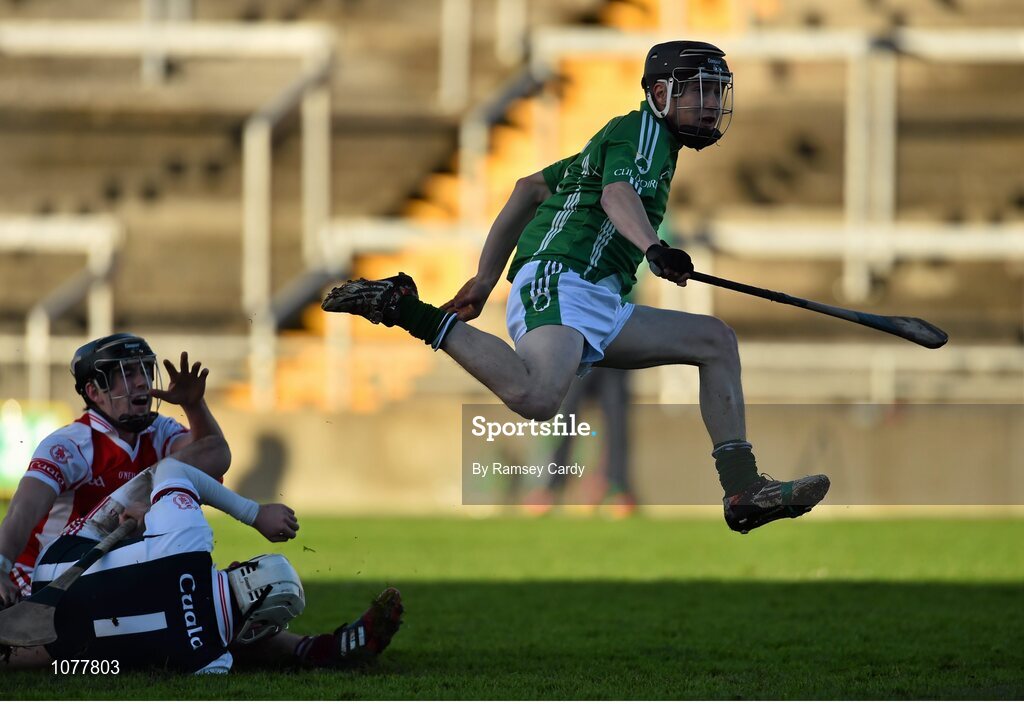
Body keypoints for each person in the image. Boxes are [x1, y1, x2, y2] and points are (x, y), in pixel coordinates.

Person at [322, 41, 830, 534]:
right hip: (561, 276)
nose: (712, 103)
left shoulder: (637, 144)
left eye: (717, 91)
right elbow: (615, 195)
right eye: (699, 90)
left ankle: (742, 490)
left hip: (599, 295)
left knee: (715, 341)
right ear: (660, 94)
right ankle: (405, 309)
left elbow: (530, 189)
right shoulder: (641, 133)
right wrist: (653, 249)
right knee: (538, 397)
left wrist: (484, 279)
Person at [0, 456, 404, 673]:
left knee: (157, 484)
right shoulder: (215, 660)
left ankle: (316, 649)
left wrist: (254, 514)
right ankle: (316, 649)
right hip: (71, 655)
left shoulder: (191, 540)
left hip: (53, 569)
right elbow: (228, 637)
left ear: (239, 565)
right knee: (88, 654)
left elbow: (172, 468)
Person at [0, 333, 232, 605]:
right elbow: (22, 511)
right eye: (127, 373)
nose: (142, 382)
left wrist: (193, 406)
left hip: (108, 573)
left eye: (145, 370)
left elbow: (214, 453)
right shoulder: (71, 444)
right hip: (44, 574)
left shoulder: (159, 430)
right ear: (94, 392)